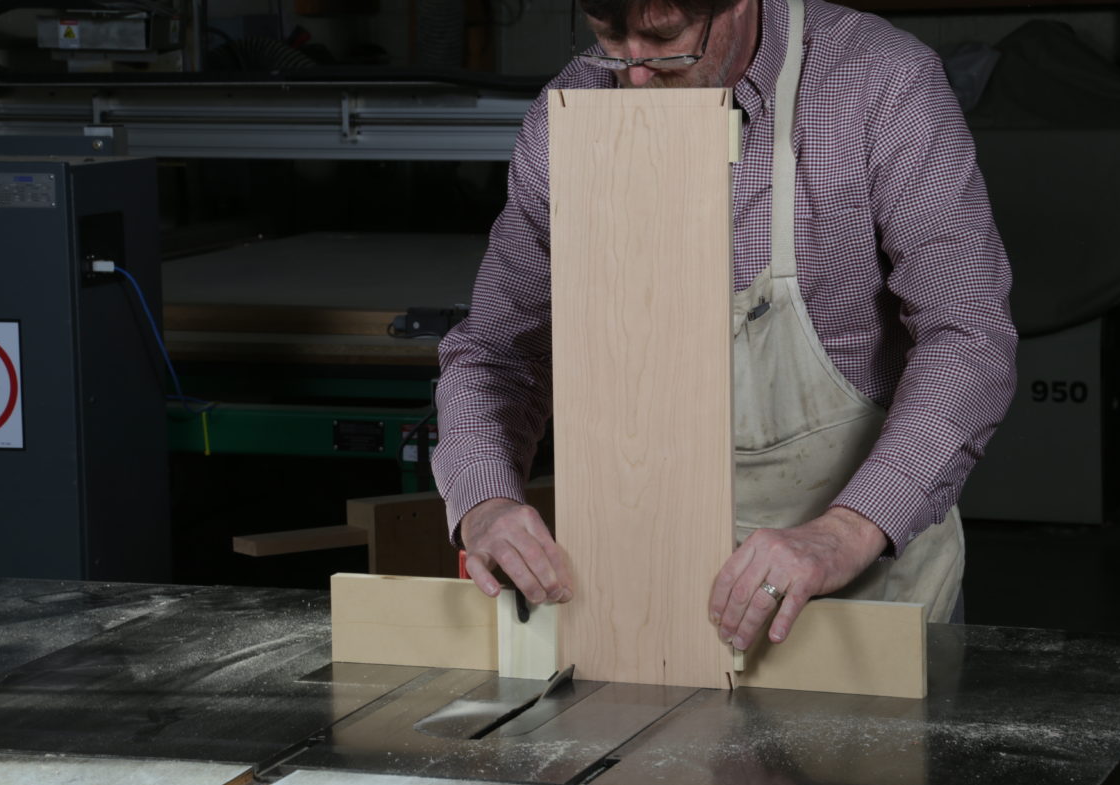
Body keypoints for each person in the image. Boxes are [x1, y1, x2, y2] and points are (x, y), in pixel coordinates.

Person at [432, 0, 1017, 655]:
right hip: (649, 609)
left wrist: (845, 534)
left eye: (664, 42)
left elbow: (967, 337)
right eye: (608, 38)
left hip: (865, 596)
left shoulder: (881, 83)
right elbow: (495, 353)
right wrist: (484, 501)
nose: (634, 75)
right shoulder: (567, 113)